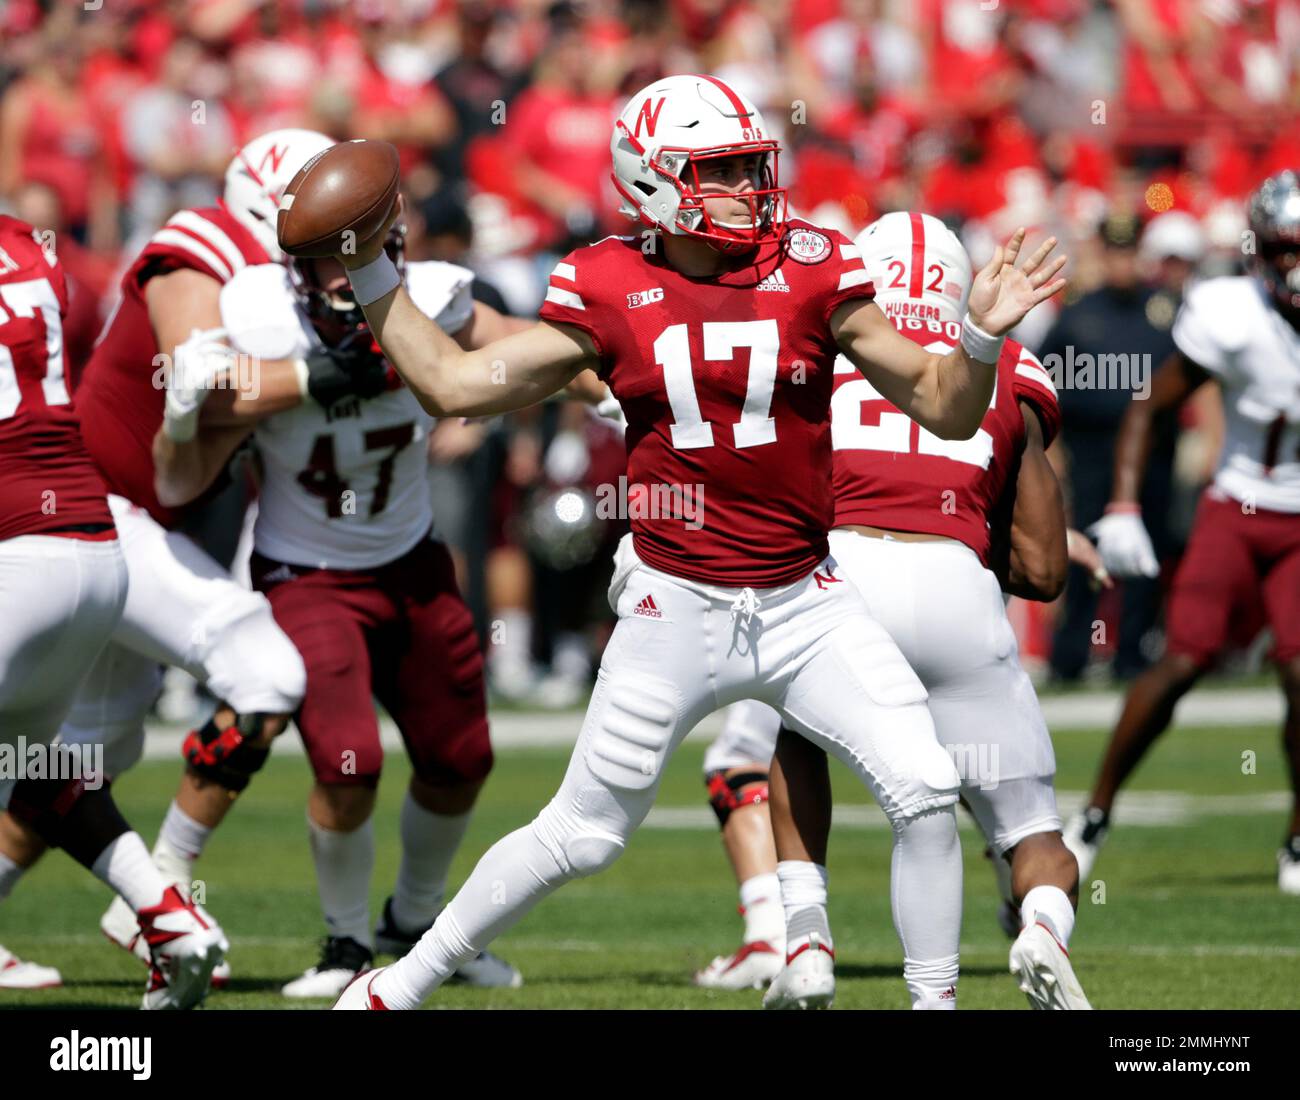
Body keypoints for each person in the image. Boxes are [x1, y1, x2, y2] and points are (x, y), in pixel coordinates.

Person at [328, 73, 1065, 1010]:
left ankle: (933, 1005)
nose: (750, 189)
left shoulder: (815, 265)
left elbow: (944, 407)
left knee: (924, 788)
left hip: (805, 599)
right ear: (653, 183)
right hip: (674, 601)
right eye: (720, 171)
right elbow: (456, 387)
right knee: (583, 834)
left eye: (752, 166)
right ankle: (398, 986)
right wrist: (370, 270)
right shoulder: (603, 281)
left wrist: (978, 337)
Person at [696, 211, 1090, 1010]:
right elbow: (1046, 571)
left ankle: (806, 938)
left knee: (797, 742)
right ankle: (1039, 928)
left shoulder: (826, 340)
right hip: (957, 592)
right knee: (1032, 831)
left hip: (842, 578)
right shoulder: (1003, 362)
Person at [0, 129, 326, 988]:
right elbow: (199, 377)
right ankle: (163, 898)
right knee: (252, 677)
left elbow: (189, 439)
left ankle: (159, 906)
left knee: (70, 763)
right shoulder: (205, 241)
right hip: (101, 517)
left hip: (79, 526)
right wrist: (332, 370)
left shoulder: (300, 283)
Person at [200, 225, 532, 997]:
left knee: (462, 760)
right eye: (333, 256)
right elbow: (199, 398)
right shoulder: (255, 312)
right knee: (351, 763)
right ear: (296, 265)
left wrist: (604, 387)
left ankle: (414, 923)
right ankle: (345, 945)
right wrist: (312, 377)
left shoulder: (435, 299)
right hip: (306, 571)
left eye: (369, 253)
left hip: (412, 559)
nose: (351, 273)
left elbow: (528, 348)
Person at [0, 214, 224, 1008]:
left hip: (17, 547)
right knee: (37, 763)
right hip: (95, 545)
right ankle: (169, 917)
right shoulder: (30, 244)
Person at [1069, 169, 1300, 896]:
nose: (1295, 264)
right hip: (1236, 509)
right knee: (1181, 662)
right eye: (1285, 249)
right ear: (1260, 251)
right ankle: (1095, 814)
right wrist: (1128, 504)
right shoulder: (1231, 313)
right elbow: (1149, 405)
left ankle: (1298, 838)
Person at [1041, 211, 1180, 682]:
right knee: (1085, 550)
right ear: (1103, 253)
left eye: (1129, 252)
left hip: (1153, 454)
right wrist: (1050, 450)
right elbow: (1043, 385)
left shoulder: (1163, 311)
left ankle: (1133, 654)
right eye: (1115, 252)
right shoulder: (1079, 314)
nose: (1123, 262)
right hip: (1093, 451)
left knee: (1147, 553)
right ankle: (1070, 655)